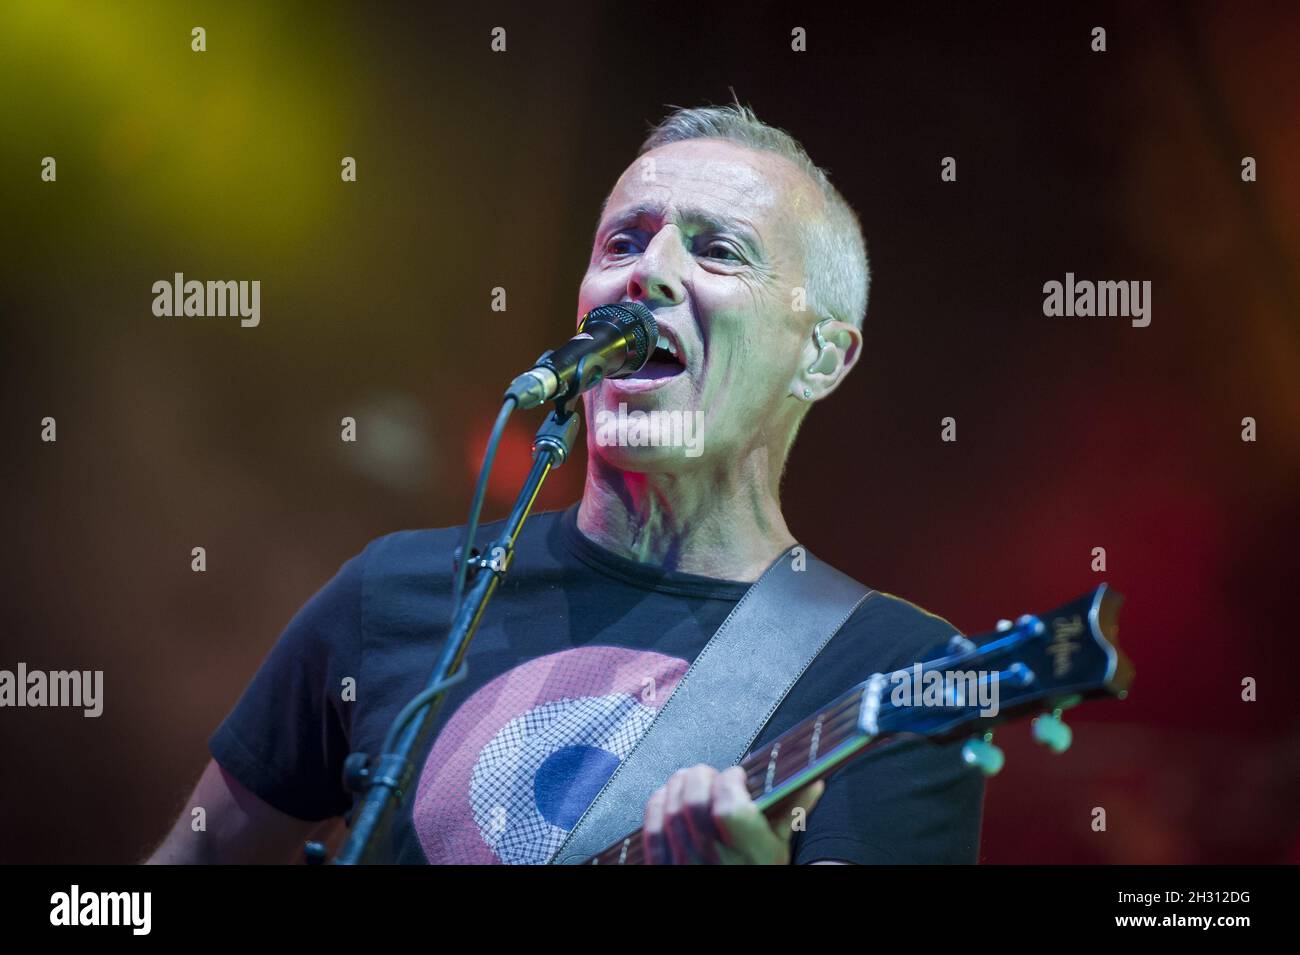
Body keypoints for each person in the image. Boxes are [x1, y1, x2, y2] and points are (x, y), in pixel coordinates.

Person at [147, 103, 984, 865]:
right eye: (622, 242)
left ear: (822, 355)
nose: (645, 274)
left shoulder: (894, 668)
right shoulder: (392, 591)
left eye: (717, 250)